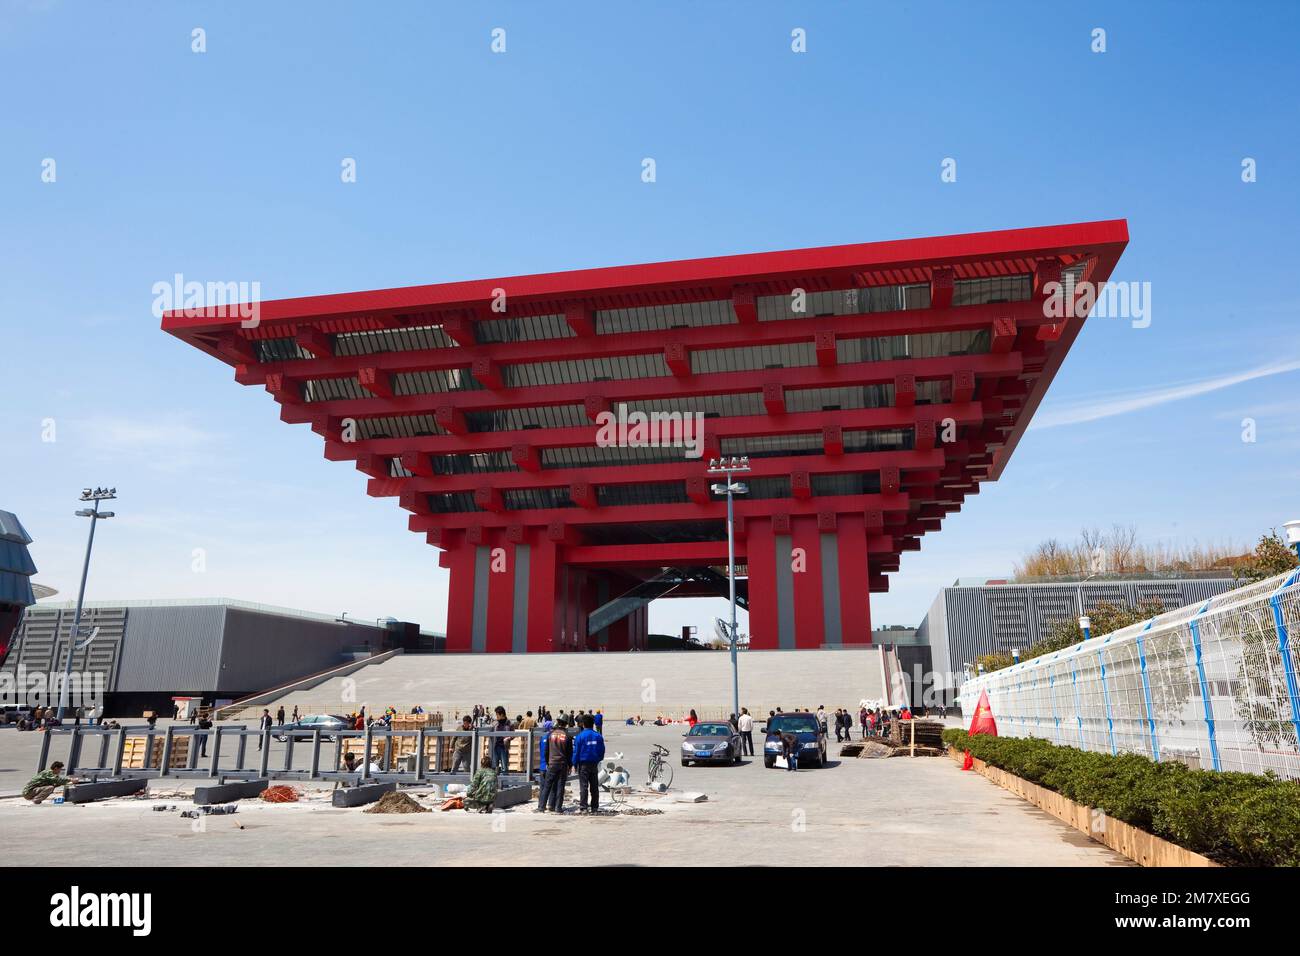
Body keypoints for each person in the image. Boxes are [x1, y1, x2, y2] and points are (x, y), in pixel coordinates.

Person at [571, 714, 605, 814]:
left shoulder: (580, 736)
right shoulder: (598, 736)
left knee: (584, 786)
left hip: (583, 764)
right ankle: (594, 807)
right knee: (594, 786)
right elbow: (602, 750)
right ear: (593, 724)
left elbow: (576, 752)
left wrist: (574, 764)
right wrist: (598, 759)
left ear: (583, 724)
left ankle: (584, 807)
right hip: (594, 764)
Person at [537, 717, 572, 813]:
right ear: (566, 724)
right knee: (560, 786)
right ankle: (558, 808)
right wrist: (570, 765)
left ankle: (541, 807)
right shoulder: (567, 736)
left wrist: (548, 762)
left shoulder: (550, 735)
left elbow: (546, 751)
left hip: (552, 763)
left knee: (547, 786)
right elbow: (569, 753)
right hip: (562, 764)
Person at [491, 706, 514, 773]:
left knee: (504, 766)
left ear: (502, 714)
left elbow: (513, 734)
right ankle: (495, 782)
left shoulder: (509, 723)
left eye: (497, 715)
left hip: (504, 747)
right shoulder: (495, 723)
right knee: (495, 767)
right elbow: (491, 733)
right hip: (495, 746)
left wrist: (508, 738)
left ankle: (505, 782)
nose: (496, 716)